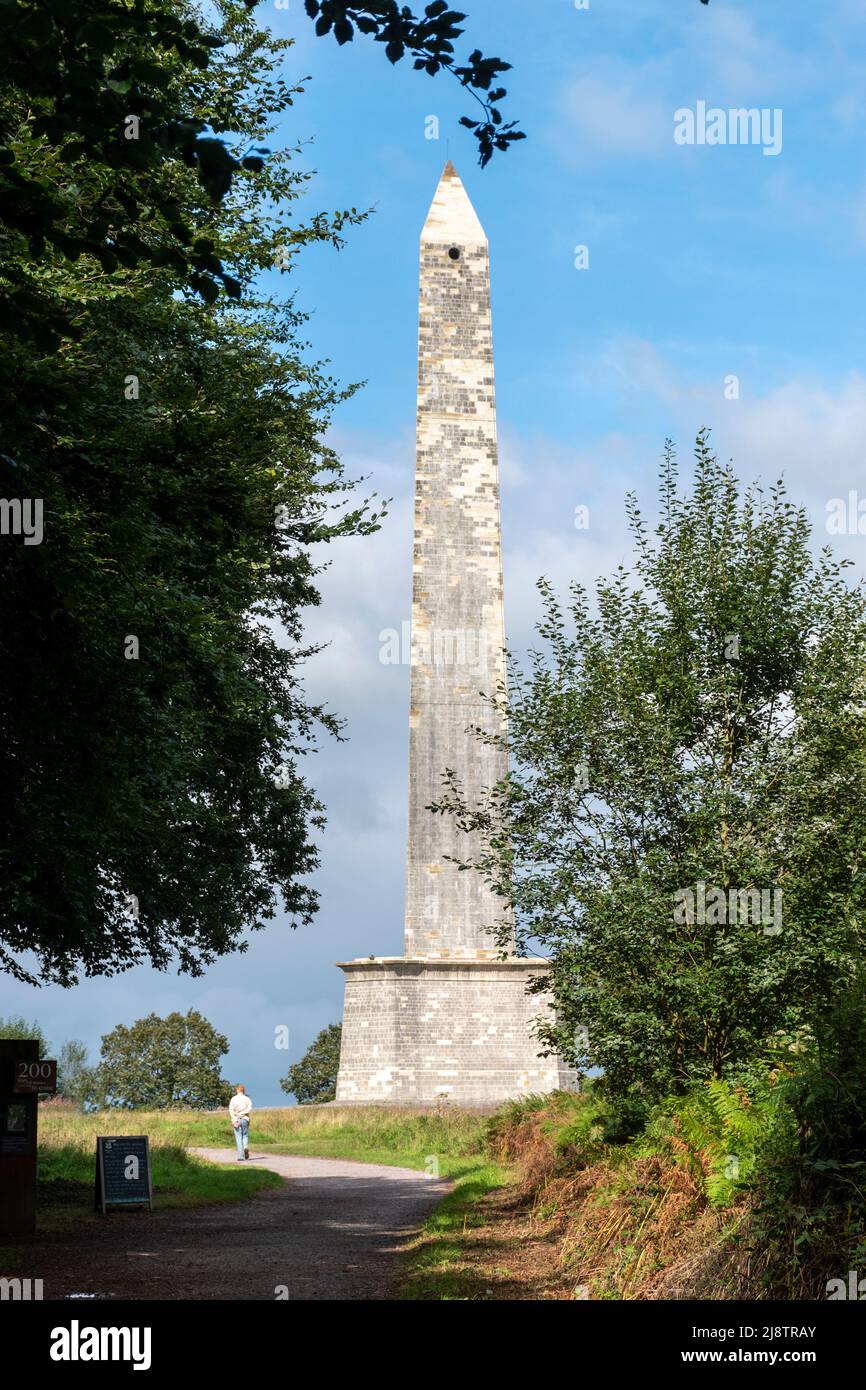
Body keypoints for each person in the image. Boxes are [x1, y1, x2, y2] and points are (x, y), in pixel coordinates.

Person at [229, 1083, 253, 1161]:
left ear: (237, 1090)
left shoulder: (233, 1099)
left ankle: (241, 1156)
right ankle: (245, 1147)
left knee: (238, 1137)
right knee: (245, 1135)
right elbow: (249, 1109)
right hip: (245, 1119)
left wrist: (234, 1119)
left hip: (236, 1119)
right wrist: (242, 1113)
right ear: (243, 1090)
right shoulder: (247, 1099)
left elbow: (231, 1110)